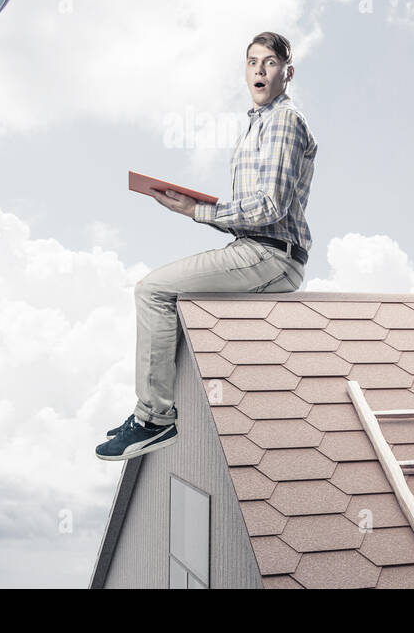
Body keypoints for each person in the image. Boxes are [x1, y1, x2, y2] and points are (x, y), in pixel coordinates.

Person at [96, 31, 317, 461]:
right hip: (256, 248)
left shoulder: (283, 122)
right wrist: (189, 206)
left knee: (152, 290)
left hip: (271, 255)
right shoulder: (257, 124)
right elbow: (249, 212)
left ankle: (155, 420)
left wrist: (197, 212)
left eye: (269, 62)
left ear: (287, 73)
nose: (259, 69)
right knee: (161, 292)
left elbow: (269, 208)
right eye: (252, 61)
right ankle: (151, 411)